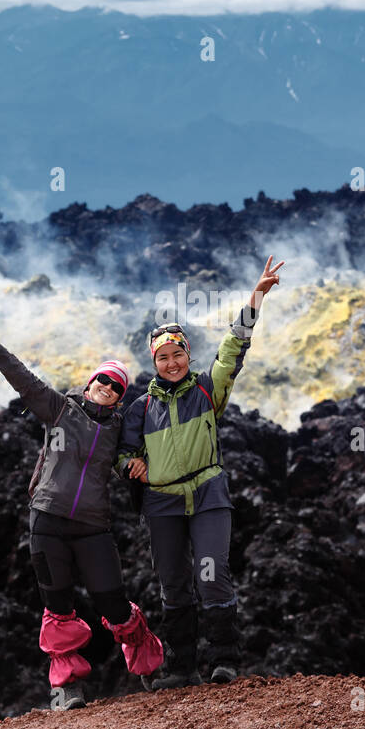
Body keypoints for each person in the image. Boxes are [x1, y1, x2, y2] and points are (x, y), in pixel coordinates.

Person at [0, 306, 163, 710]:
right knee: (58, 605)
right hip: (47, 522)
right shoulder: (59, 410)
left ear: (120, 397)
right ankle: (67, 688)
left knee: (114, 603)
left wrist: (138, 465)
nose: (108, 387)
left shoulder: (118, 429)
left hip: (93, 528)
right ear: (89, 384)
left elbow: (140, 451)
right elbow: (24, 381)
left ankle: (148, 665)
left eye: (117, 386)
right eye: (103, 379)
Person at [119, 256, 284, 688]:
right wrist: (130, 464)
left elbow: (234, 348)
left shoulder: (209, 389)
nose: (171, 363)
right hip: (162, 503)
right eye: (163, 357)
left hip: (209, 495)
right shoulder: (141, 408)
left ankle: (223, 661)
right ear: (153, 362)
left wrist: (256, 297)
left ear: (187, 354)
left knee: (211, 573)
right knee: (173, 584)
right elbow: (122, 453)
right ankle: (181, 669)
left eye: (178, 354)